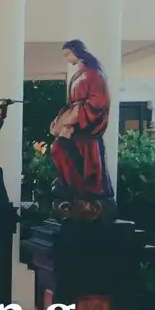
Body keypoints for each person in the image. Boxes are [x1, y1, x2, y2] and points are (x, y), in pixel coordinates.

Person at [49, 39, 115, 202]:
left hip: (84, 127)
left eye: (68, 54)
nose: (67, 59)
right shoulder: (80, 74)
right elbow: (71, 103)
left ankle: (85, 189)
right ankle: (71, 186)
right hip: (75, 122)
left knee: (66, 149)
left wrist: (75, 120)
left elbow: (98, 102)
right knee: (57, 148)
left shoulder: (94, 74)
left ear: (76, 52)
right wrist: (62, 119)